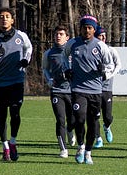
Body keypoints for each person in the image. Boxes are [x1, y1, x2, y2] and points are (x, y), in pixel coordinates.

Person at [0, 7, 34, 162]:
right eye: (1, 17)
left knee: (15, 112)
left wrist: (26, 60)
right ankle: (5, 146)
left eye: (7, 16)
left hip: (16, 81)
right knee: (1, 115)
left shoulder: (21, 36)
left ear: (12, 19)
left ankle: (13, 142)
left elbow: (29, 48)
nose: (4, 19)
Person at [65, 16, 108, 165]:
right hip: (78, 89)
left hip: (96, 90)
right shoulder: (73, 43)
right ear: (80, 28)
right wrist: (67, 69)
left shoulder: (101, 46)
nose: (87, 30)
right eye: (84, 27)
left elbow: (109, 64)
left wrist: (104, 71)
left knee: (92, 123)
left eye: (90, 28)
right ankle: (80, 147)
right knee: (79, 119)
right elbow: (65, 56)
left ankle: (88, 152)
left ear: (94, 30)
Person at [42, 26, 74, 157]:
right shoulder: (48, 53)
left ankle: (70, 130)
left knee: (73, 120)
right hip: (57, 91)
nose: (58, 36)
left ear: (67, 37)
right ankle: (63, 149)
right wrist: (49, 79)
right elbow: (45, 69)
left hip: (73, 91)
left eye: (61, 34)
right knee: (60, 119)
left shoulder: (73, 52)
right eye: (56, 34)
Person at [95, 25, 120, 146]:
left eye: (104, 36)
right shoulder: (92, 51)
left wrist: (109, 75)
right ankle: (98, 138)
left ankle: (107, 127)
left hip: (107, 88)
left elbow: (118, 65)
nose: (103, 38)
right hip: (94, 88)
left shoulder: (111, 50)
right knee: (94, 115)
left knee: (108, 116)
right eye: (100, 35)